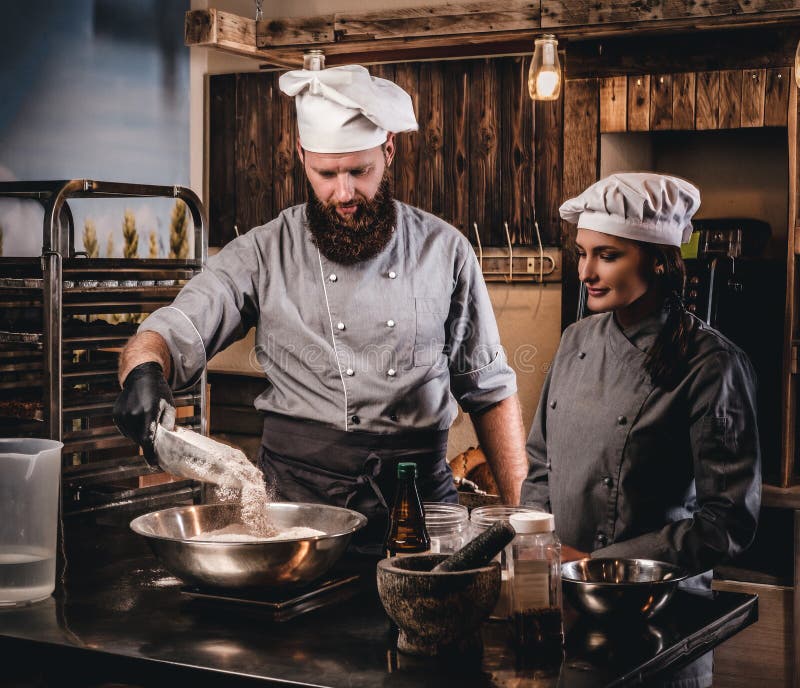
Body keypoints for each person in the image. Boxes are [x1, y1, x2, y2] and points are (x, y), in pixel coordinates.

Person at [113, 64, 528, 549]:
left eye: (359, 170)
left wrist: (524, 525)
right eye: (326, 174)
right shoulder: (265, 251)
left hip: (420, 506)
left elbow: (490, 391)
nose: (344, 192)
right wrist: (144, 369)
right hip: (294, 510)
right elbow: (175, 327)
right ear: (302, 156)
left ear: (388, 149)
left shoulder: (446, 251)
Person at [521, 173, 761, 688]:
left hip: (660, 620)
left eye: (607, 255)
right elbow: (540, 466)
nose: (586, 271)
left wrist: (595, 565)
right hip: (564, 610)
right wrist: (541, 559)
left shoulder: (711, 364)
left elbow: (727, 522)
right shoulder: (575, 340)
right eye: (582, 253)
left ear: (657, 260)